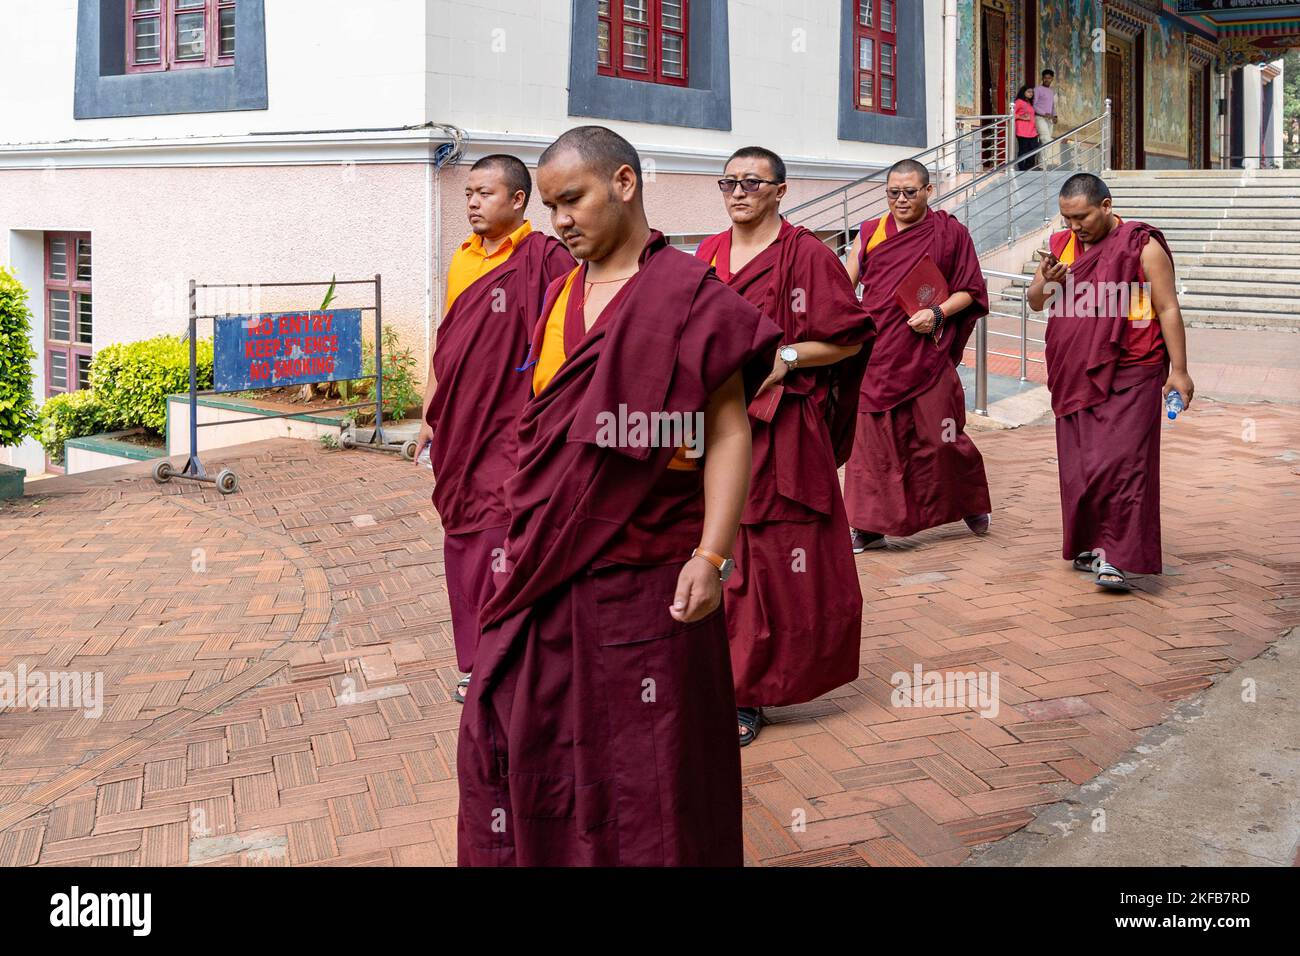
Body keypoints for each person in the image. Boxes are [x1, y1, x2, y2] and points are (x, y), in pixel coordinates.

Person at [457, 126, 783, 866]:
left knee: (655, 763)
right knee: (539, 740)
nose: (560, 221)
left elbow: (729, 432)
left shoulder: (688, 295)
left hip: (652, 571)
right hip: (551, 569)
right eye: (549, 207)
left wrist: (714, 553)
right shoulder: (561, 294)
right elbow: (548, 431)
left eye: (572, 199)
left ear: (626, 184)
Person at [695, 146, 873, 747]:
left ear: (780, 190)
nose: (738, 192)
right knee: (722, 549)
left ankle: (750, 691)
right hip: (719, 423)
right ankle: (720, 677)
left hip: (783, 426)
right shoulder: (708, 255)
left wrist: (787, 357)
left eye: (752, 182)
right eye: (729, 182)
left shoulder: (808, 255)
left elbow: (848, 338)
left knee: (771, 558)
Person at [414, 155, 574, 703]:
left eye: (485, 194)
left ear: (518, 200)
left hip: (515, 429)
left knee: (504, 537)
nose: (473, 204)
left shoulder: (547, 260)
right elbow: (449, 349)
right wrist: (431, 417)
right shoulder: (460, 260)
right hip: (461, 428)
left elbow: (563, 347)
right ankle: (476, 657)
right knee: (464, 541)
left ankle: (509, 657)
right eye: (468, 195)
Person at [1027, 173, 1194, 592]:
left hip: (1133, 367)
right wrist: (1049, 280)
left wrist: (1179, 370)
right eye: (1066, 218)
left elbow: (1167, 308)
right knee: (1080, 467)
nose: (1074, 227)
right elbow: (1036, 301)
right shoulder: (1061, 247)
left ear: (1106, 206)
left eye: (1081, 217)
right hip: (1074, 369)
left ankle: (1117, 557)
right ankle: (1089, 543)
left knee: (1122, 465)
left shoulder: (1142, 246)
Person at [843, 159, 992, 553]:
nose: (901, 200)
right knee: (874, 445)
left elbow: (971, 291)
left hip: (926, 352)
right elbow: (844, 284)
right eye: (893, 192)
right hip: (876, 354)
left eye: (910, 192)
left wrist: (938, 313)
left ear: (929, 191)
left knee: (941, 436)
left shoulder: (950, 233)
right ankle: (869, 526)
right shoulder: (872, 232)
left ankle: (968, 500)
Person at [1034, 69, 1059, 168]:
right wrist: (1044, 114)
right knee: (1046, 140)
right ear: (1042, 78)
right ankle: (1041, 164)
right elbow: (1033, 105)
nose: (1047, 80)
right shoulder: (1037, 89)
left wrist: (1055, 116)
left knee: (1046, 141)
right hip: (1039, 118)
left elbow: (1053, 106)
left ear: (1052, 79)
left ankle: (1040, 164)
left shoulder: (1052, 92)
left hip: (1049, 120)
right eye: (1045, 78)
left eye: (1049, 78)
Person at [1014, 85, 1040, 171]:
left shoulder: (1028, 103)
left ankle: (1028, 168)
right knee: (1023, 151)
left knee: (1034, 149)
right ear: (1023, 92)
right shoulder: (1019, 102)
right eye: (1029, 92)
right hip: (1022, 131)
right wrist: (1022, 117)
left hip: (1032, 132)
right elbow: (1011, 115)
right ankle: (1022, 169)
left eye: (1032, 92)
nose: (1031, 94)